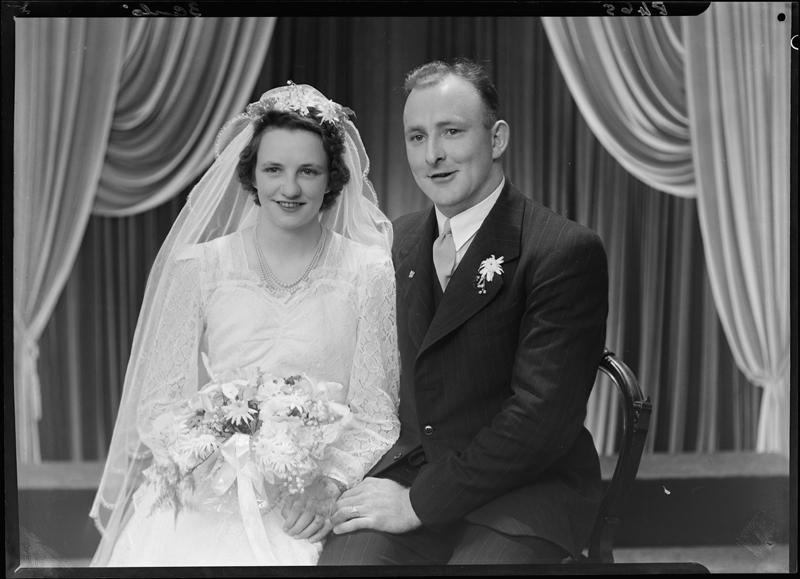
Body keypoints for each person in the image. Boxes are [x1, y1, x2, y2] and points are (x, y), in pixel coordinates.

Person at [89, 83, 400, 566]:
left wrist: (327, 482)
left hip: (312, 500)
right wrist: (209, 451)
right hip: (209, 489)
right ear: (251, 173)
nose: (290, 188)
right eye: (273, 169)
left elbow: (376, 414)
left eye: (308, 171)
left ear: (332, 177)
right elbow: (159, 403)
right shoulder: (198, 266)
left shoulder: (369, 271)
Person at [319, 58, 609, 565]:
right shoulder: (397, 240)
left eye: (451, 131)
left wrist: (419, 503)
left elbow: (538, 423)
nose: (433, 155)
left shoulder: (563, 250)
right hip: (416, 471)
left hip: (524, 493)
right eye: (416, 137)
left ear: (497, 139)